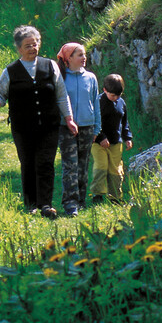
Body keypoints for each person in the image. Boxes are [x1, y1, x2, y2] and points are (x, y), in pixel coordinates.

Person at [0, 24, 76, 217]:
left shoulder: (50, 66)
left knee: (46, 162)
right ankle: (31, 204)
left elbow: (62, 95)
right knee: (27, 162)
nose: (33, 48)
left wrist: (69, 119)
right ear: (19, 48)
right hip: (23, 127)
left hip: (49, 125)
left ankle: (45, 204)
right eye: (28, 45)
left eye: (35, 43)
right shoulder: (10, 71)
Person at [56, 41, 100, 216]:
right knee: (70, 165)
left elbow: (96, 102)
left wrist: (97, 128)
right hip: (65, 127)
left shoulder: (91, 77)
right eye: (79, 55)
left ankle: (81, 199)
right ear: (69, 58)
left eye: (84, 55)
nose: (84, 58)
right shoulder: (60, 77)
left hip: (87, 127)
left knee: (83, 164)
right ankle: (70, 203)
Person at [90, 71, 133, 204]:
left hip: (116, 141)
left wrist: (127, 137)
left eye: (118, 95)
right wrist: (101, 137)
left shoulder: (121, 103)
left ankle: (115, 197)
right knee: (101, 165)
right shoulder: (98, 102)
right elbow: (93, 121)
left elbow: (124, 122)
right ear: (104, 90)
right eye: (112, 95)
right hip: (98, 142)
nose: (115, 98)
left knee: (116, 169)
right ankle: (97, 194)